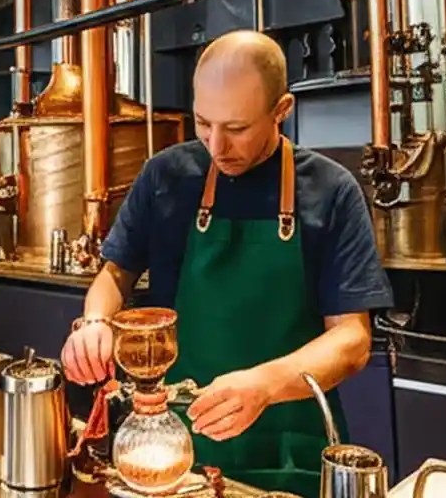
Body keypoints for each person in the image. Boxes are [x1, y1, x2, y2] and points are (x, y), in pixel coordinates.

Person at [60, 30, 393, 496]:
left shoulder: (331, 191)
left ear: (281, 110)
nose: (216, 145)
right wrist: (95, 321)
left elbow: (352, 339)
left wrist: (265, 385)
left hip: (286, 449)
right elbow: (115, 274)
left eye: (236, 128)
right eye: (203, 123)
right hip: (178, 446)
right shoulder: (166, 176)